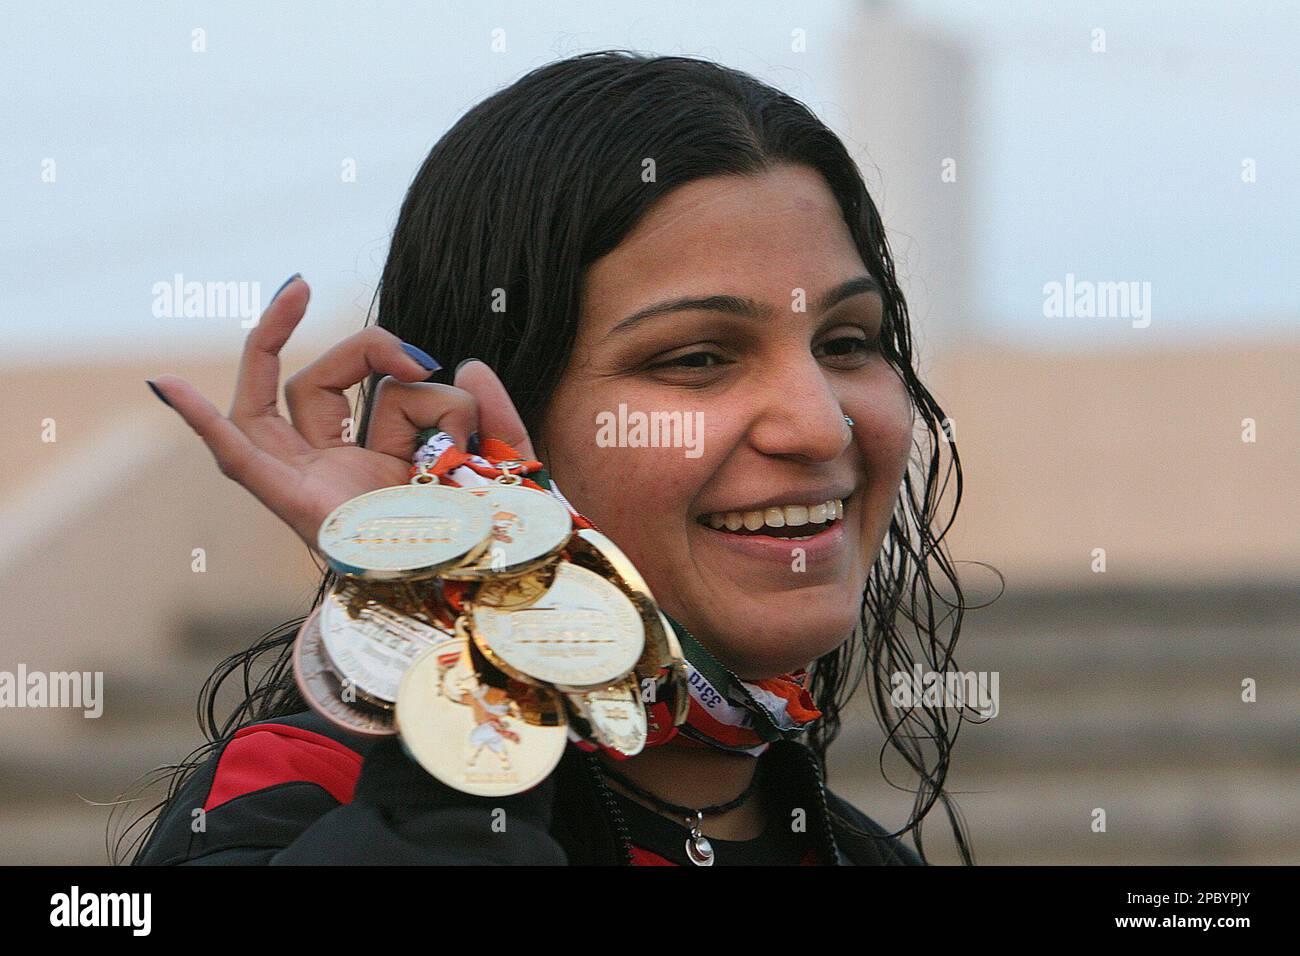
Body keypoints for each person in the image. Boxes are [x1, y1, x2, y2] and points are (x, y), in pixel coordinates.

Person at [126, 50, 973, 866]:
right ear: (494, 422)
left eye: (848, 342)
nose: (821, 427)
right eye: (698, 358)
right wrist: (454, 602)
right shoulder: (302, 801)